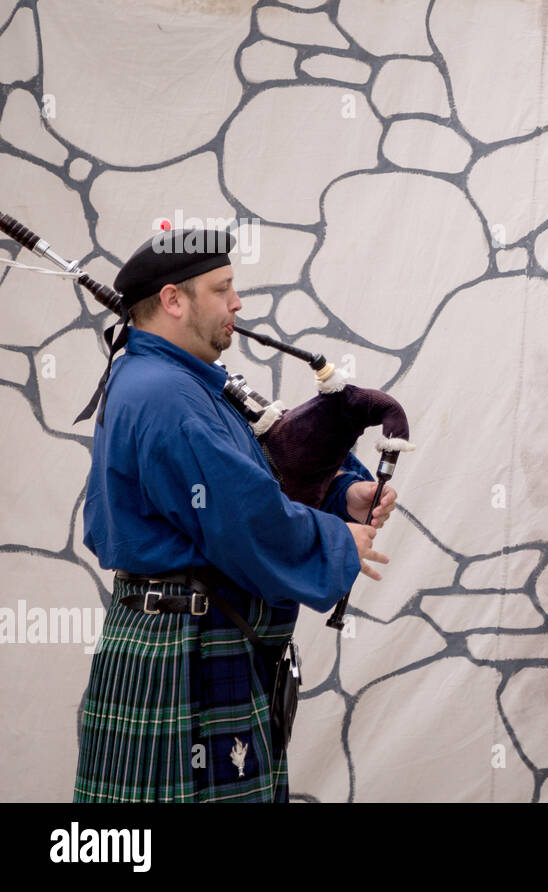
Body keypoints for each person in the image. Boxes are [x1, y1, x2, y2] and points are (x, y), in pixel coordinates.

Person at [75, 227, 394, 802]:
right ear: (174, 300)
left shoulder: (178, 382)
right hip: (187, 645)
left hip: (187, 631)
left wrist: (338, 494)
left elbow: (255, 472)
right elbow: (243, 518)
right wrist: (339, 541)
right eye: (223, 290)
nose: (238, 304)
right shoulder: (168, 395)